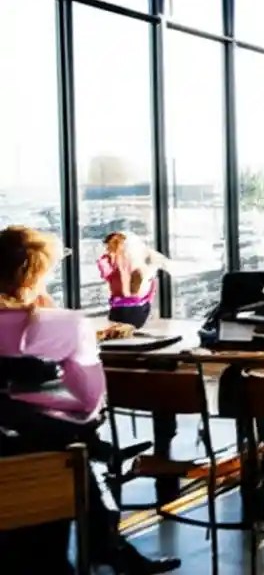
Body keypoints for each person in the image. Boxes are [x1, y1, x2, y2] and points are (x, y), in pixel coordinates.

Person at [0, 226, 180, 574]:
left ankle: (107, 545)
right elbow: (87, 401)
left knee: (76, 446)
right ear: (32, 277)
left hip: (12, 444)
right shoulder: (46, 328)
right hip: (34, 463)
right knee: (80, 447)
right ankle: (107, 545)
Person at [97, 232, 166, 328]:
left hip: (119, 310)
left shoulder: (109, 262)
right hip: (137, 310)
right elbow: (150, 288)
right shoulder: (134, 264)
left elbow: (105, 272)